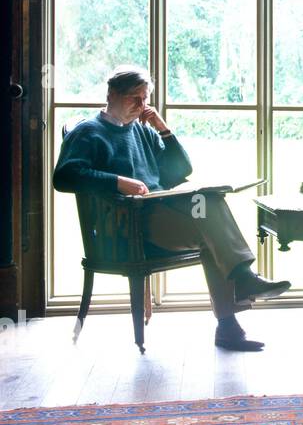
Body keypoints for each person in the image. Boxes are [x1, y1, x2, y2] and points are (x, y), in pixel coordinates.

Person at [52, 65, 289, 351]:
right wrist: (118, 182)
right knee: (213, 231)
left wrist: (163, 130)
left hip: (160, 216)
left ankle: (234, 307)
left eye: (145, 99)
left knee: (210, 202)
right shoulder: (88, 132)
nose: (141, 107)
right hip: (126, 226)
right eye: (134, 99)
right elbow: (64, 176)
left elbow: (180, 170)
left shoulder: (143, 131)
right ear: (112, 95)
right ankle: (238, 297)